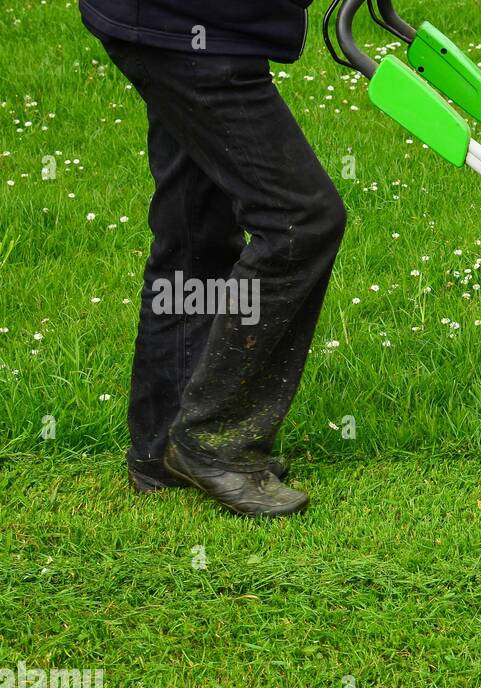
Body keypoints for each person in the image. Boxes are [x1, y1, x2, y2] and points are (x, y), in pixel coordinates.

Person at [79, 0, 345, 517]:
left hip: (179, 26)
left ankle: (161, 450)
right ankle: (213, 440)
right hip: (182, 24)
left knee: (195, 226)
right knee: (300, 221)